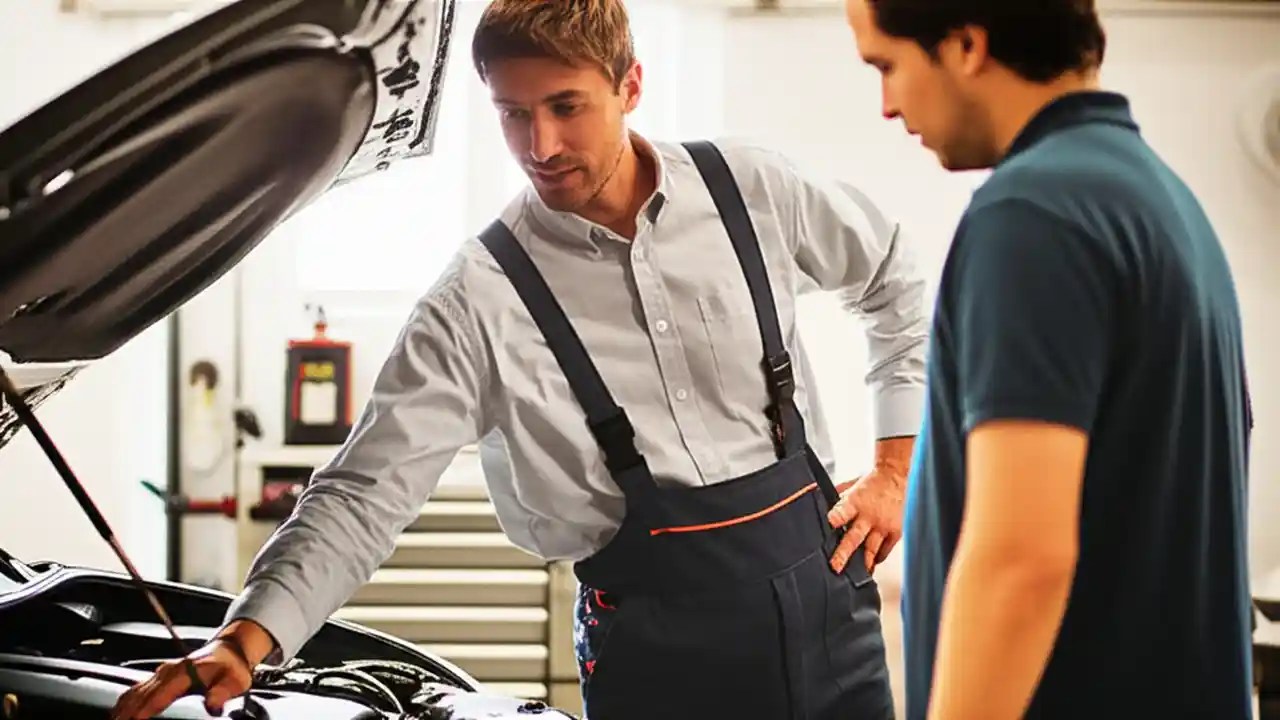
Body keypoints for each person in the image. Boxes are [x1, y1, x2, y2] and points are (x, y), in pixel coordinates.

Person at [110, 1, 931, 719]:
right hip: (659, 651)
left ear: (630, 86)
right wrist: (246, 638)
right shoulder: (477, 298)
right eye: (512, 114)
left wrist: (894, 469)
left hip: (827, 618)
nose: (539, 144)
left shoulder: (750, 189)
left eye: (566, 106)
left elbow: (896, 286)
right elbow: (365, 490)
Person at [843, 1, 1256, 719]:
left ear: (967, 43)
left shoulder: (1033, 214)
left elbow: (1019, 563)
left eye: (887, 65)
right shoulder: (1162, 203)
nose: (885, 105)